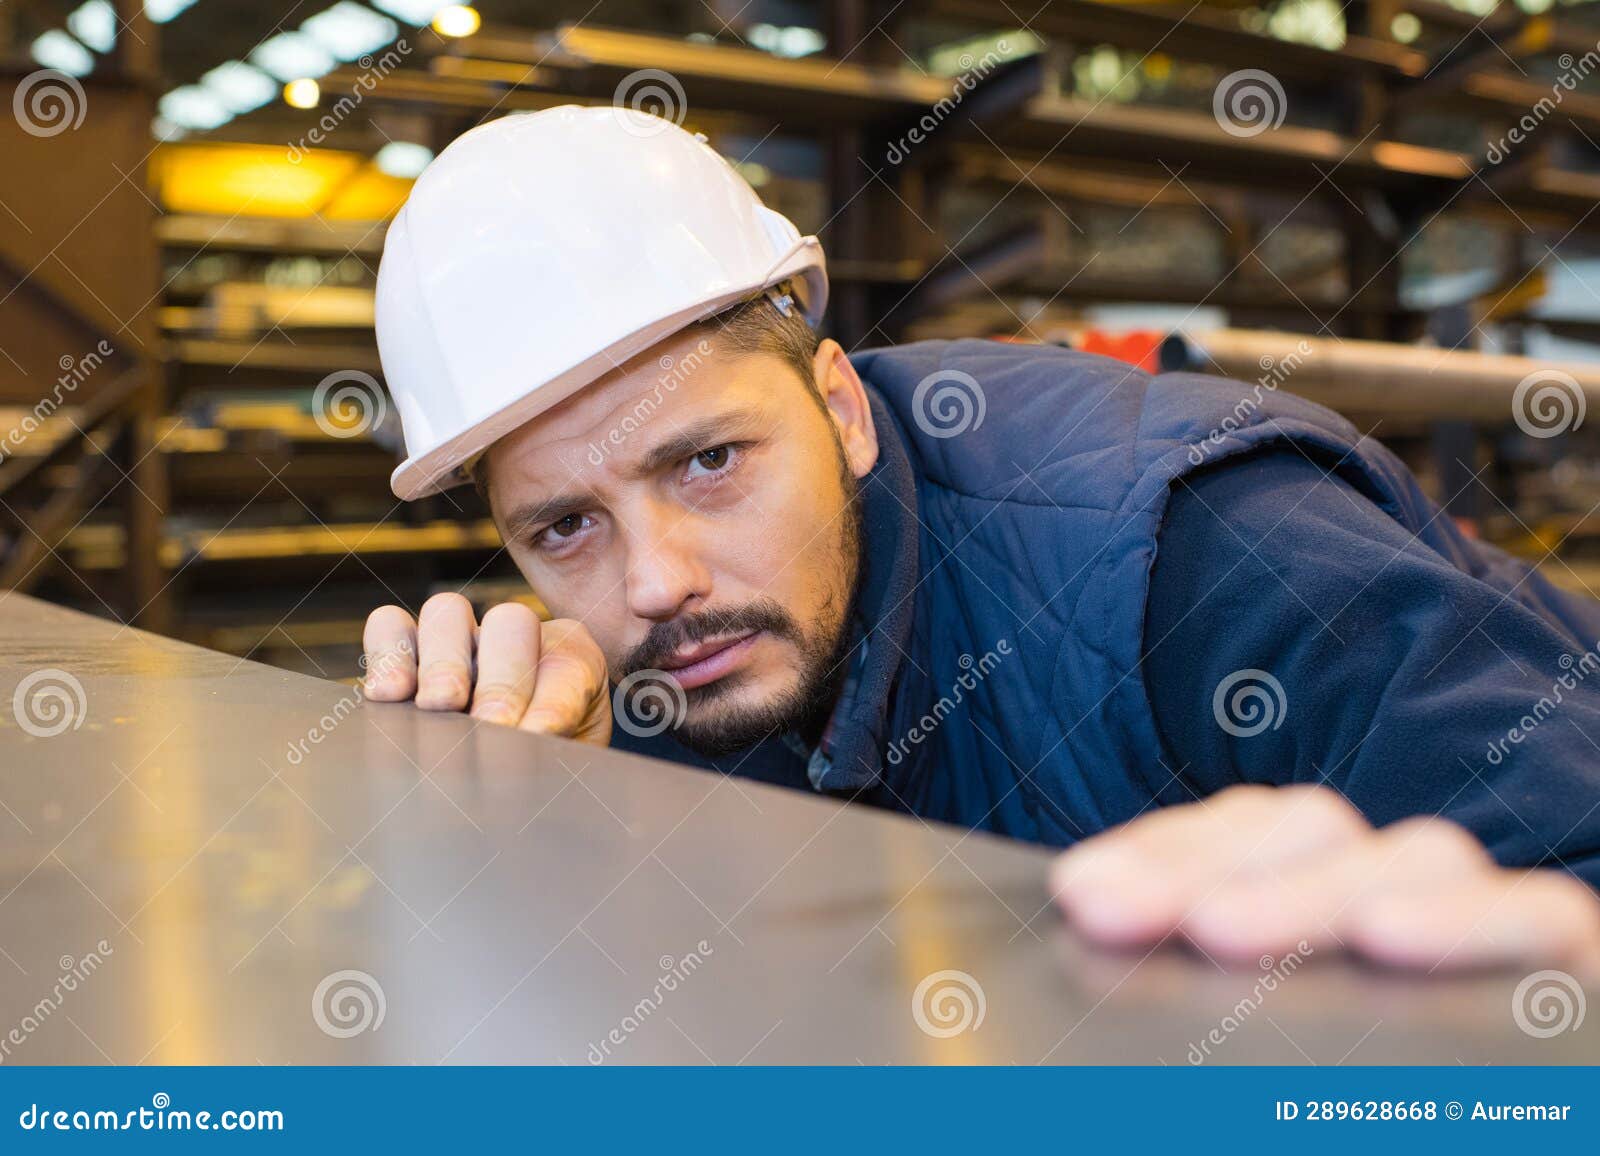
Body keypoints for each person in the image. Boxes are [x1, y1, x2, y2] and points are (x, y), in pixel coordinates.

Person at [360, 106, 1600, 974]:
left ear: (839, 409)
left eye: (708, 462)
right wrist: (580, 825)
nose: (655, 582)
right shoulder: (649, 694)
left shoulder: (1198, 554)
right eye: (565, 525)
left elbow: (1567, 881)